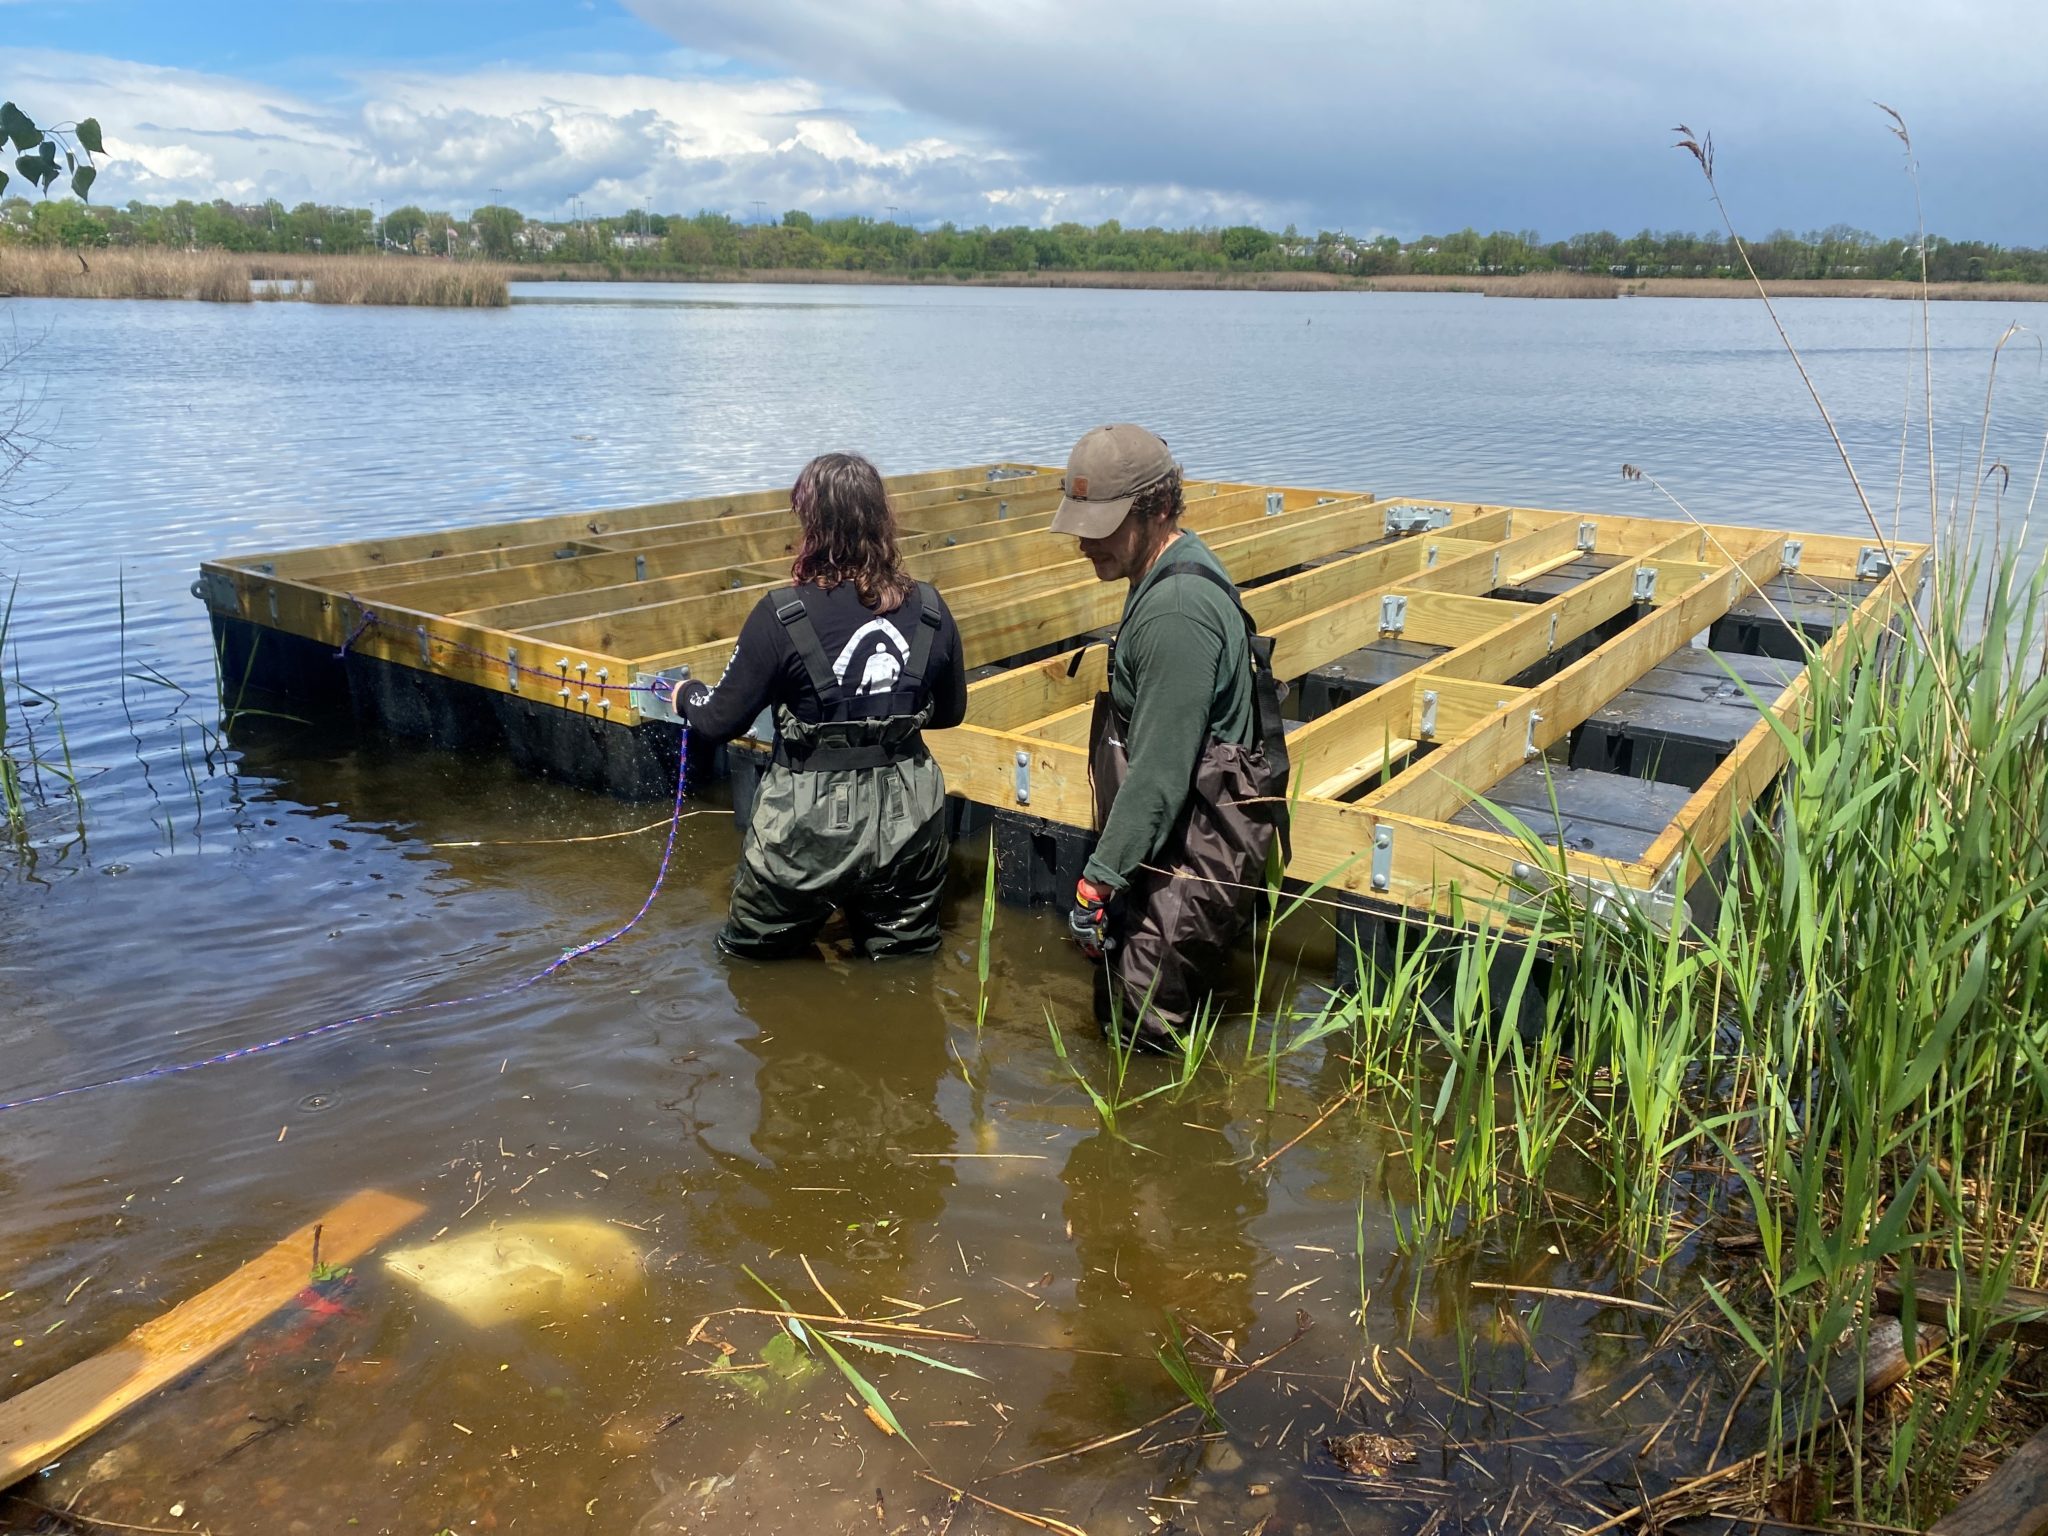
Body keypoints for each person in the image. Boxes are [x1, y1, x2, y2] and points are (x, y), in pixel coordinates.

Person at [673, 451, 967, 958]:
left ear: (812, 523)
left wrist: (684, 696)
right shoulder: (932, 608)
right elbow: (950, 713)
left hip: (806, 824)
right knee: (904, 966)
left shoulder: (779, 615)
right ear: (882, 519)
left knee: (753, 961)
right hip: (909, 816)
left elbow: (718, 720)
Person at [1049, 424, 1290, 1041]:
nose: (1083, 542)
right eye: (1078, 521)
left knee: (1139, 1036)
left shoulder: (1175, 611)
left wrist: (1097, 881)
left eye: (1100, 523)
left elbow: (1158, 774)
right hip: (1177, 853)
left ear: (1155, 508)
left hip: (1192, 859)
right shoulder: (1173, 565)